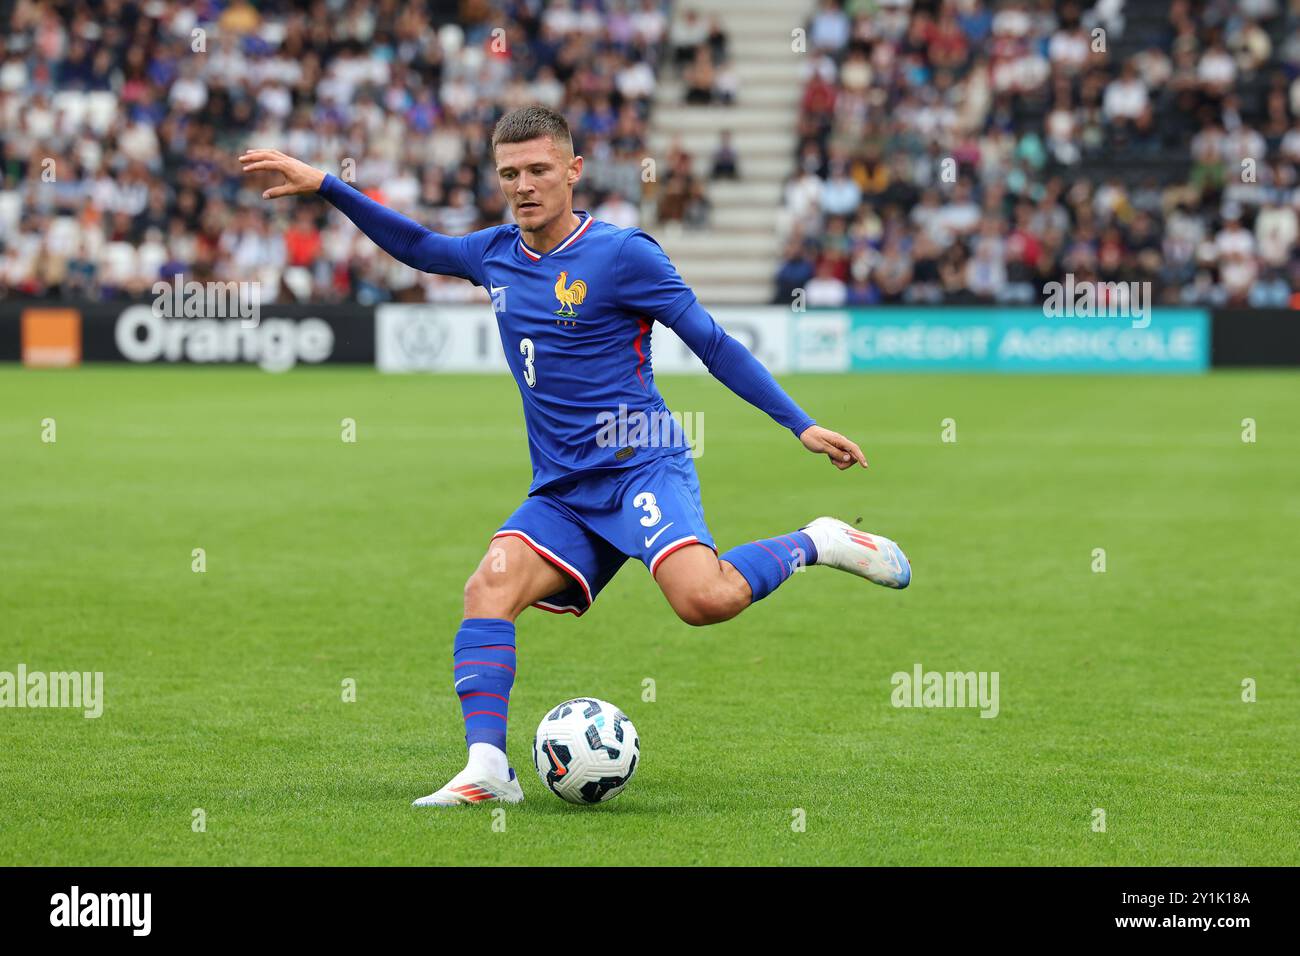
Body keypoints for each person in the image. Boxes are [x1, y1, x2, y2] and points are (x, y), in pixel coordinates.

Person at [239, 105, 911, 807]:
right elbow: (416, 246)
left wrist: (798, 424)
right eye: (509, 174)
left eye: (538, 170)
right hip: (562, 488)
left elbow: (711, 343)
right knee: (487, 589)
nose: (523, 185)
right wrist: (326, 184)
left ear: (573, 172)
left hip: (640, 467)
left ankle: (819, 540)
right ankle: (488, 770)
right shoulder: (494, 253)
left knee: (703, 600)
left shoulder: (623, 255)